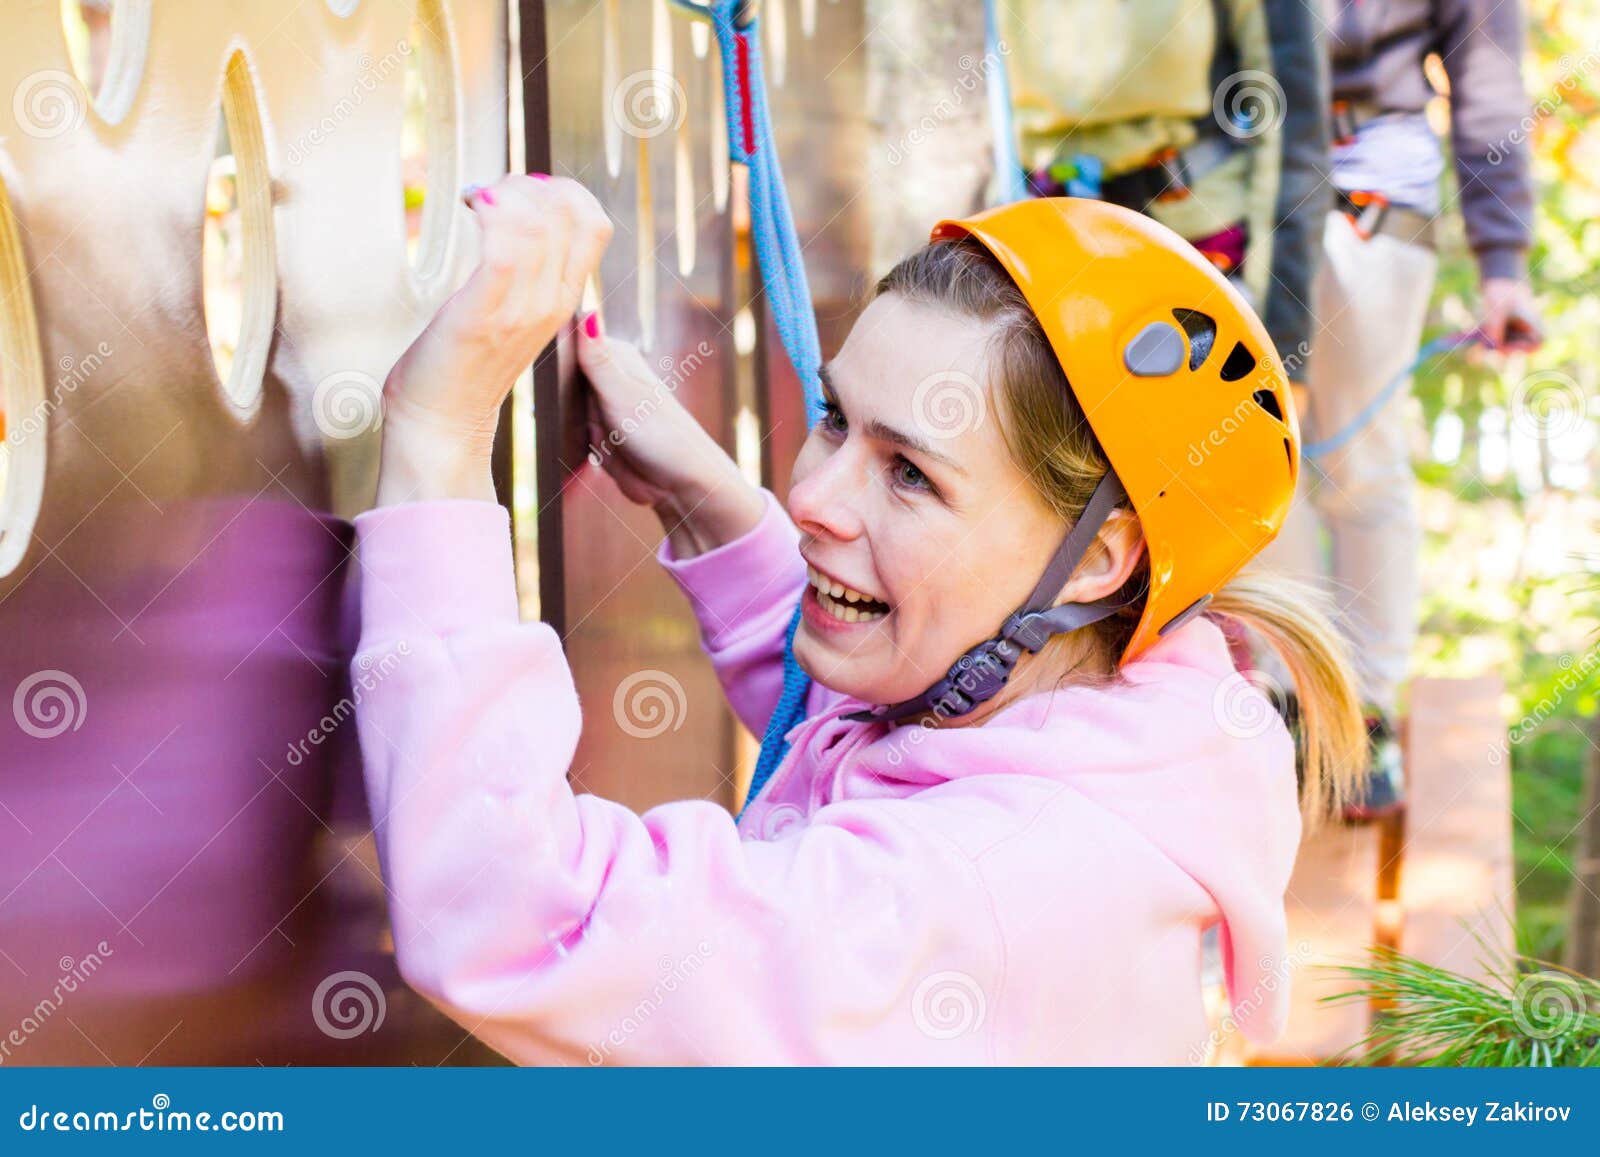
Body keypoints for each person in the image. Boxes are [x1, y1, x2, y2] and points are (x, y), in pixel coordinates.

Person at [352, 174, 1365, 1064]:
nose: (811, 499)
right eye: (836, 419)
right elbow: (855, 725)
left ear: (1101, 559)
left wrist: (440, 436)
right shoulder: (1126, 708)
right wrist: (708, 506)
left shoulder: (967, 899)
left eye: (910, 474)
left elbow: (528, 923)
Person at [1259, 0, 1543, 821]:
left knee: (1354, 459)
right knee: (1252, 453)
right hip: (1239, 177)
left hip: (1369, 188)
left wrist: (1503, 262)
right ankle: (1290, 696)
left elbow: (1486, 75)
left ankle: (1367, 711)